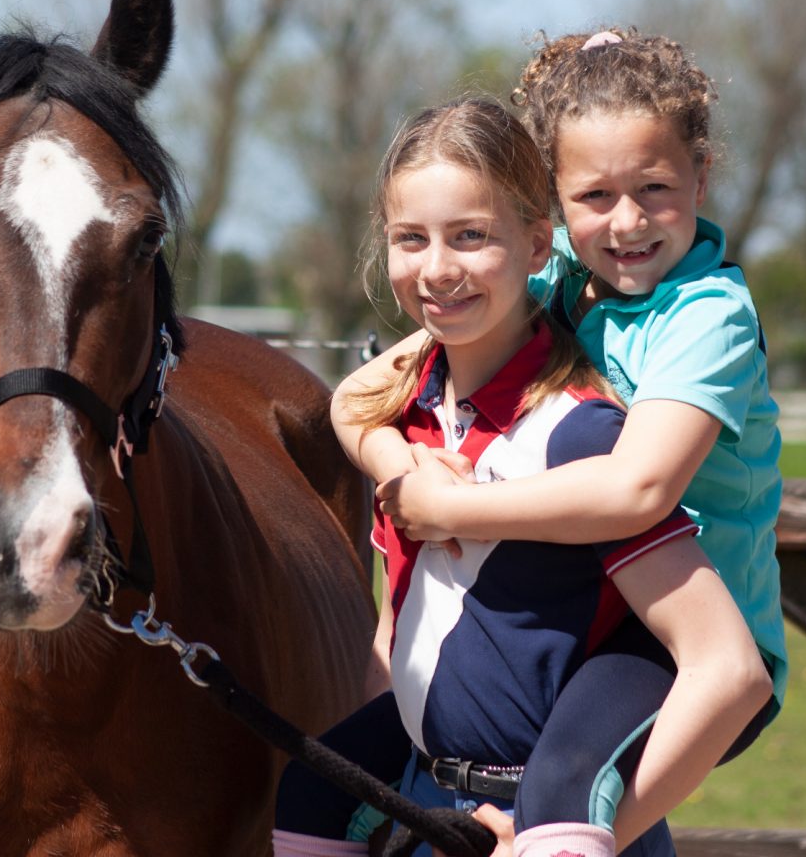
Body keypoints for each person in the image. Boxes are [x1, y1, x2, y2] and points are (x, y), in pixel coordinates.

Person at [274, 97, 772, 857]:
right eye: (412, 239)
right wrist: (398, 466)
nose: (438, 268)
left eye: (471, 237)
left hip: (555, 819)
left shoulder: (587, 433)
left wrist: (567, 838)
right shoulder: (412, 422)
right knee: (305, 797)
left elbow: (730, 669)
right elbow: (402, 630)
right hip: (433, 808)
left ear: (541, 246)